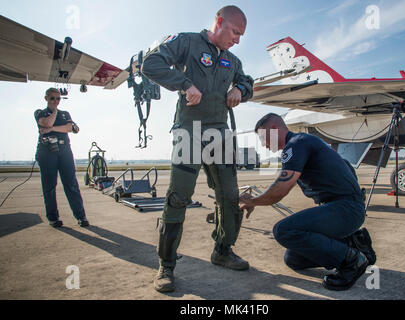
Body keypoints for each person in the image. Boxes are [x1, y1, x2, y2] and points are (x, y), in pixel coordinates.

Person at [141, 5, 254, 292]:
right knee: (179, 197)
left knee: (229, 196)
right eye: (235, 32)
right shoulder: (187, 42)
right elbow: (150, 64)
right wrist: (184, 83)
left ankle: (223, 250)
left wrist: (240, 90)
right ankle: (166, 265)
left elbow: (246, 80)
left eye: (241, 35)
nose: (238, 39)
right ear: (219, 22)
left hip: (219, 133)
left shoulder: (232, 60)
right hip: (189, 131)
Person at [239, 113, 376, 291]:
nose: (264, 144)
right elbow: (346, 167)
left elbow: (280, 190)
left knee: (284, 230)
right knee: (293, 259)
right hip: (344, 208)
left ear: (274, 129)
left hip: (345, 209)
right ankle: (354, 244)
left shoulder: (296, 144)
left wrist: (254, 201)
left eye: (264, 138)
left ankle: (352, 261)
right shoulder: (306, 142)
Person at [34, 88, 89, 228]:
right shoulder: (40, 112)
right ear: (46, 98)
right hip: (47, 153)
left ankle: (81, 216)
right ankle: (53, 218)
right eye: (53, 98)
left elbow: (70, 128)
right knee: (49, 186)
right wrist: (54, 113)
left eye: (58, 99)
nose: (56, 101)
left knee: (71, 184)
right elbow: (46, 123)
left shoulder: (65, 114)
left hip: (64, 151)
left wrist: (52, 129)